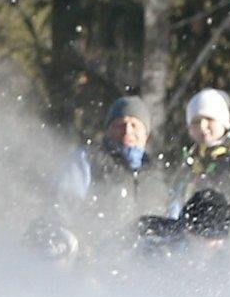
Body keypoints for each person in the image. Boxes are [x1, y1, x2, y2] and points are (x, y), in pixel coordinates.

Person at [47, 95, 158, 263]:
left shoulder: (157, 174)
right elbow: (62, 205)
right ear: (108, 129)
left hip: (144, 264)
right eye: (120, 124)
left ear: (146, 133)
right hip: (93, 259)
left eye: (134, 125)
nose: (127, 131)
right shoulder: (89, 159)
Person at [173, 88, 230, 201]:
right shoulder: (188, 155)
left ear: (224, 122)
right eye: (196, 122)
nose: (202, 127)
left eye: (209, 119)